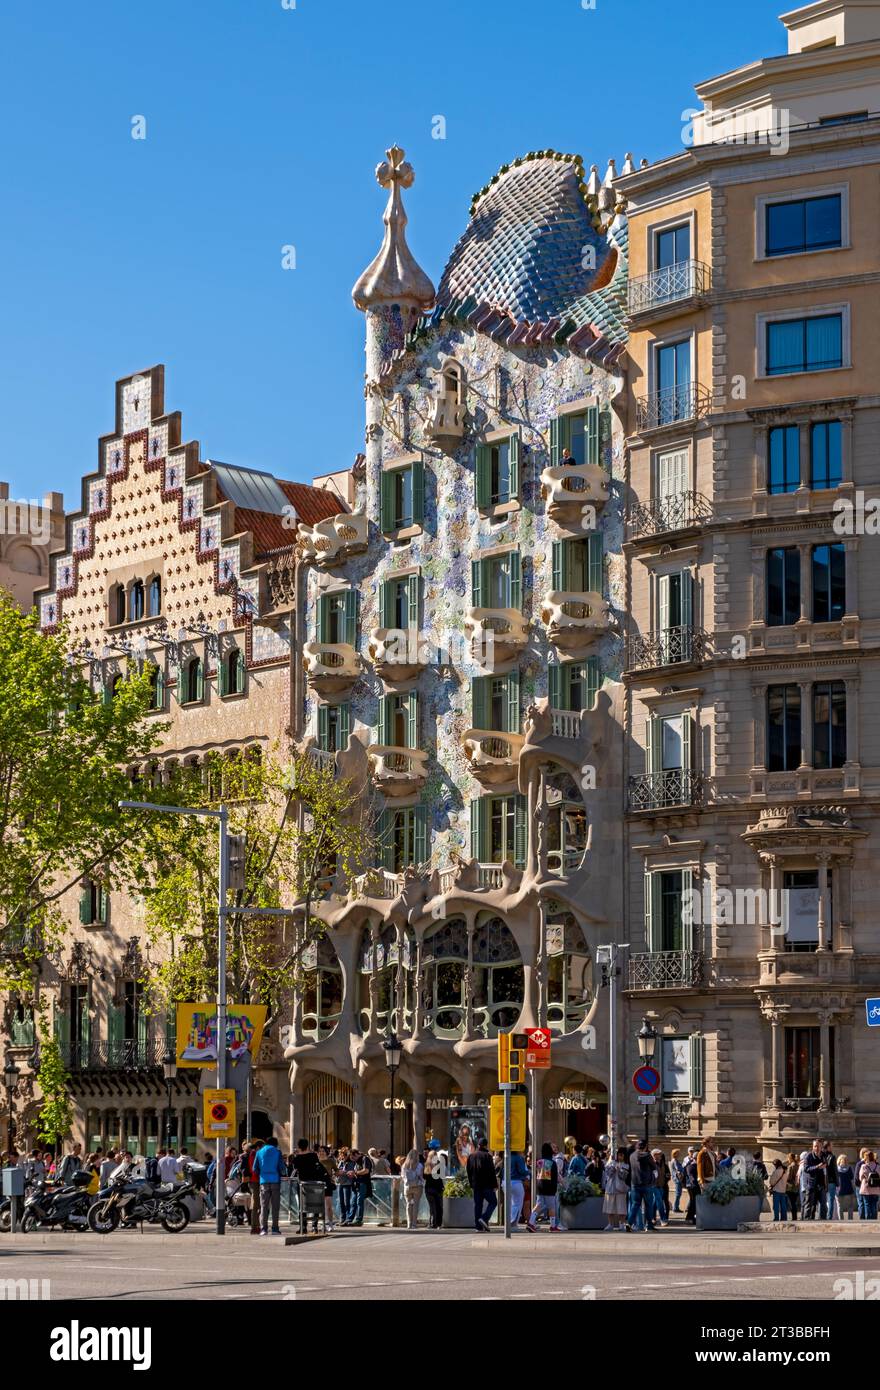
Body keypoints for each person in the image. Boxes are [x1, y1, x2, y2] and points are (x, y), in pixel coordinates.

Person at [254, 1135, 286, 1235]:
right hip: (275, 1180)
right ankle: (275, 1228)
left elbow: (255, 1168)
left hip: (263, 1181)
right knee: (275, 1206)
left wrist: (262, 1174)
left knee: (264, 1206)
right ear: (275, 1143)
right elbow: (282, 1167)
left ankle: (263, 1229)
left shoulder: (259, 1152)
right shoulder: (277, 1152)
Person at [527, 1142, 560, 1233]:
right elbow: (555, 1176)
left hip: (540, 1185)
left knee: (538, 1204)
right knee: (552, 1207)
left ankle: (531, 1223)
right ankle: (553, 1226)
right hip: (549, 1187)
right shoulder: (552, 1162)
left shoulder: (539, 1161)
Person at [467, 1139, 499, 1232]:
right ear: (485, 1146)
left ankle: (478, 1227)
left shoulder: (471, 1156)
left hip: (476, 1185)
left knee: (478, 1205)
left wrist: (471, 1184)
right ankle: (484, 1218)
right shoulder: (488, 1156)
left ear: (478, 1145)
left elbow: (468, 1171)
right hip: (487, 1185)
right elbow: (491, 1172)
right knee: (493, 1202)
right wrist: (495, 1185)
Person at [628, 1140, 658, 1232]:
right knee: (648, 1205)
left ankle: (629, 1223)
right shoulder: (647, 1155)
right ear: (645, 1146)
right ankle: (649, 1226)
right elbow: (654, 1167)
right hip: (646, 1184)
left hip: (635, 1183)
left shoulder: (632, 1155)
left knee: (635, 1204)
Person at [602, 1147, 630, 1231]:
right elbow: (608, 1175)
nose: (620, 1157)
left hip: (620, 1189)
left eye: (621, 1155)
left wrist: (619, 1170)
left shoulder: (626, 1165)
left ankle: (621, 1224)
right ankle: (610, 1224)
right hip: (610, 1188)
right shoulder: (610, 1163)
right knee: (610, 1207)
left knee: (621, 1208)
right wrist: (612, 1167)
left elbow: (623, 1177)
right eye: (618, 1155)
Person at [801, 1140, 828, 1220]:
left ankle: (823, 1220)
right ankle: (807, 1220)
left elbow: (826, 1166)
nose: (817, 1148)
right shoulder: (808, 1156)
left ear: (821, 1147)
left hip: (821, 1183)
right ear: (813, 1147)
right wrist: (817, 1167)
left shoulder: (823, 1155)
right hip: (811, 1184)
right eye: (815, 1146)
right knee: (809, 1204)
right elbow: (806, 1168)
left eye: (819, 1146)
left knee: (823, 1204)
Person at [424, 1140, 446, 1230]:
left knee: (432, 1207)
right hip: (438, 1188)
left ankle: (432, 1223)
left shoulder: (426, 1165)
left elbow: (424, 1177)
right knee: (439, 1206)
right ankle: (438, 1224)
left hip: (429, 1188)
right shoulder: (439, 1164)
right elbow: (441, 1176)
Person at [401, 1149, 424, 1229]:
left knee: (409, 1204)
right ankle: (414, 1224)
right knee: (415, 1205)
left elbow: (403, 1176)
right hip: (417, 1186)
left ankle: (409, 1224)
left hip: (408, 1187)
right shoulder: (419, 1165)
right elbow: (420, 1176)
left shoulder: (404, 1165)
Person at [317, 1144, 338, 1231]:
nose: (321, 1153)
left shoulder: (330, 1161)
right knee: (319, 1206)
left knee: (329, 1205)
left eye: (323, 1151)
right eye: (320, 1151)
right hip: (318, 1184)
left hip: (328, 1184)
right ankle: (322, 1223)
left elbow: (336, 1171)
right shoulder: (316, 1161)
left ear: (327, 1152)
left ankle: (330, 1223)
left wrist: (333, 1176)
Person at [351, 1148, 373, 1226]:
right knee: (354, 1202)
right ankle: (351, 1219)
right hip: (357, 1183)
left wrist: (355, 1173)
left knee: (359, 1201)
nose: (353, 1160)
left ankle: (359, 1219)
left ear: (356, 1154)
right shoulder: (357, 1161)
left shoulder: (365, 1159)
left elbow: (366, 1170)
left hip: (363, 1182)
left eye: (353, 1157)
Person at [507, 1150, 528, 1227]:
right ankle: (513, 1223)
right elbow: (522, 1171)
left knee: (510, 1203)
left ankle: (509, 1222)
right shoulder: (518, 1158)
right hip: (516, 1182)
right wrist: (529, 1172)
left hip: (505, 1182)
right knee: (517, 1204)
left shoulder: (507, 1157)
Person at [859, 1149, 880, 1219]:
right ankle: (874, 1218)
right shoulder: (878, 1166)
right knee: (874, 1204)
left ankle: (868, 1219)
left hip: (866, 1189)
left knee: (867, 1204)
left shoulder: (864, 1166)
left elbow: (860, 1178)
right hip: (876, 1189)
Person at [337, 1146, 356, 1226]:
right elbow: (337, 1171)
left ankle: (348, 1219)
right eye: (342, 1155)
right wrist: (338, 1172)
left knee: (346, 1202)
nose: (343, 1156)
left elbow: (351, 1173)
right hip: (340, 1183)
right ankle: (342, 1218)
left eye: (344, 1155)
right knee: (341, 1202)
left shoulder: (351, 1163)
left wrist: (343, 1172)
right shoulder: (341, 1162)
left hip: (347, 1184)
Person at [683, 1147, 700, 1225]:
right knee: (693, 1202)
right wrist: (697, 1184)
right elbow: (691, 1177)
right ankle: (689, 1217)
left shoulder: (694, 1165)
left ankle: (691, 1217)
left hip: (693, 1185)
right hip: (692, 1186)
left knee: (694, 1202)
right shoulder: (691, 1165)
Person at [837, 1154, 856, 1220]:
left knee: (840, 1206)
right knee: (850, 1206)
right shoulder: (849, 1168)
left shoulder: (836, 1169)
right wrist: (854, 1189)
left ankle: (841, 1220)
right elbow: (852, 1180)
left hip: (840, 1190)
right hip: (848, 1189)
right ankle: (850, 1220)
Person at [824, 1143, 838, 1220]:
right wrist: (837, 1182)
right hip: (830, 1181)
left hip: (824, 1181)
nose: (832, 1147)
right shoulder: (832, 1157)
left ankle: (825, 1216)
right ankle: (828, 1217)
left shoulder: (821, 1155)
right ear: (828, 1147)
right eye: (831, 1146)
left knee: (825, 1200)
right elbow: (834, 1171)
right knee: (831, 1200)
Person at [785, 1151, 801, 1221]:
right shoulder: (798, 1165)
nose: (787, 1160)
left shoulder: (791, 1166)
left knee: (792, 1203)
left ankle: (794, 1217)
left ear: (790, 1158)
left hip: (791, 1187)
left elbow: (788, 1177)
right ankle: (795, 1217)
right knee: (794, 1202)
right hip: (797, 1186)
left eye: (788, 1158)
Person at [670, 1149, 684, 1214]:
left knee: (678, 1194)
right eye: (677, 1153)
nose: (679, 1154)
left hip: (677, 1179)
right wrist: (681, 1177)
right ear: (674, 1154)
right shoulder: (675, 1161)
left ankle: (676, 1207)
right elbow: (678, 1170)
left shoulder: (675, 1160)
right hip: (678, 1179)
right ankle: (675, 1208)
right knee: (678, 1194)